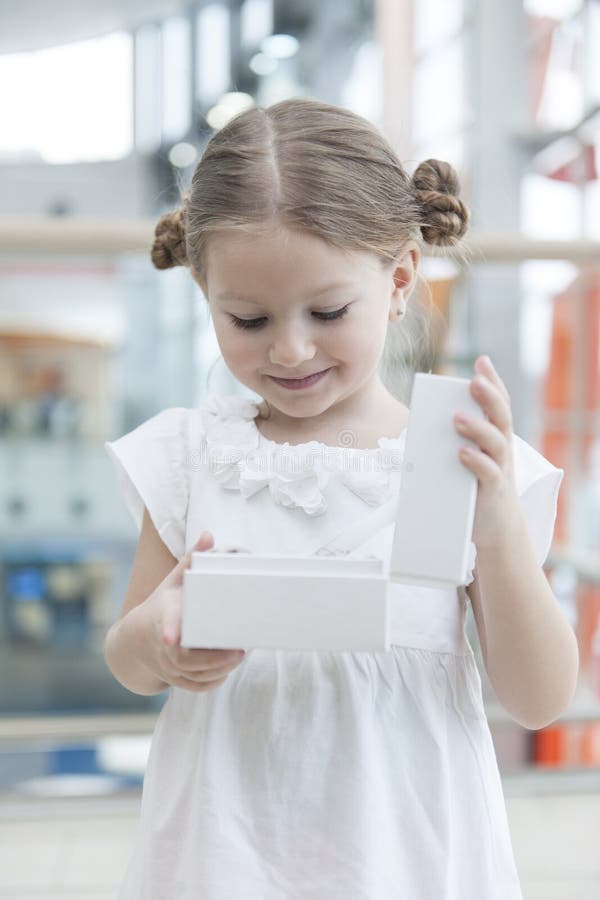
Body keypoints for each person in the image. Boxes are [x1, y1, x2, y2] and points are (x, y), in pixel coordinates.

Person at [103, 97, 578, 899]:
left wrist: (495, 523)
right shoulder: (194, 453)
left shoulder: (453, 456)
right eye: (247, 319)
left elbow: (537, 698)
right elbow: (127, 658)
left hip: (405, 850)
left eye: (328, 312)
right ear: (204, 291)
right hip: (226, 851)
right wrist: (156, 642)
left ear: (398, 280)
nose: (289, 349)